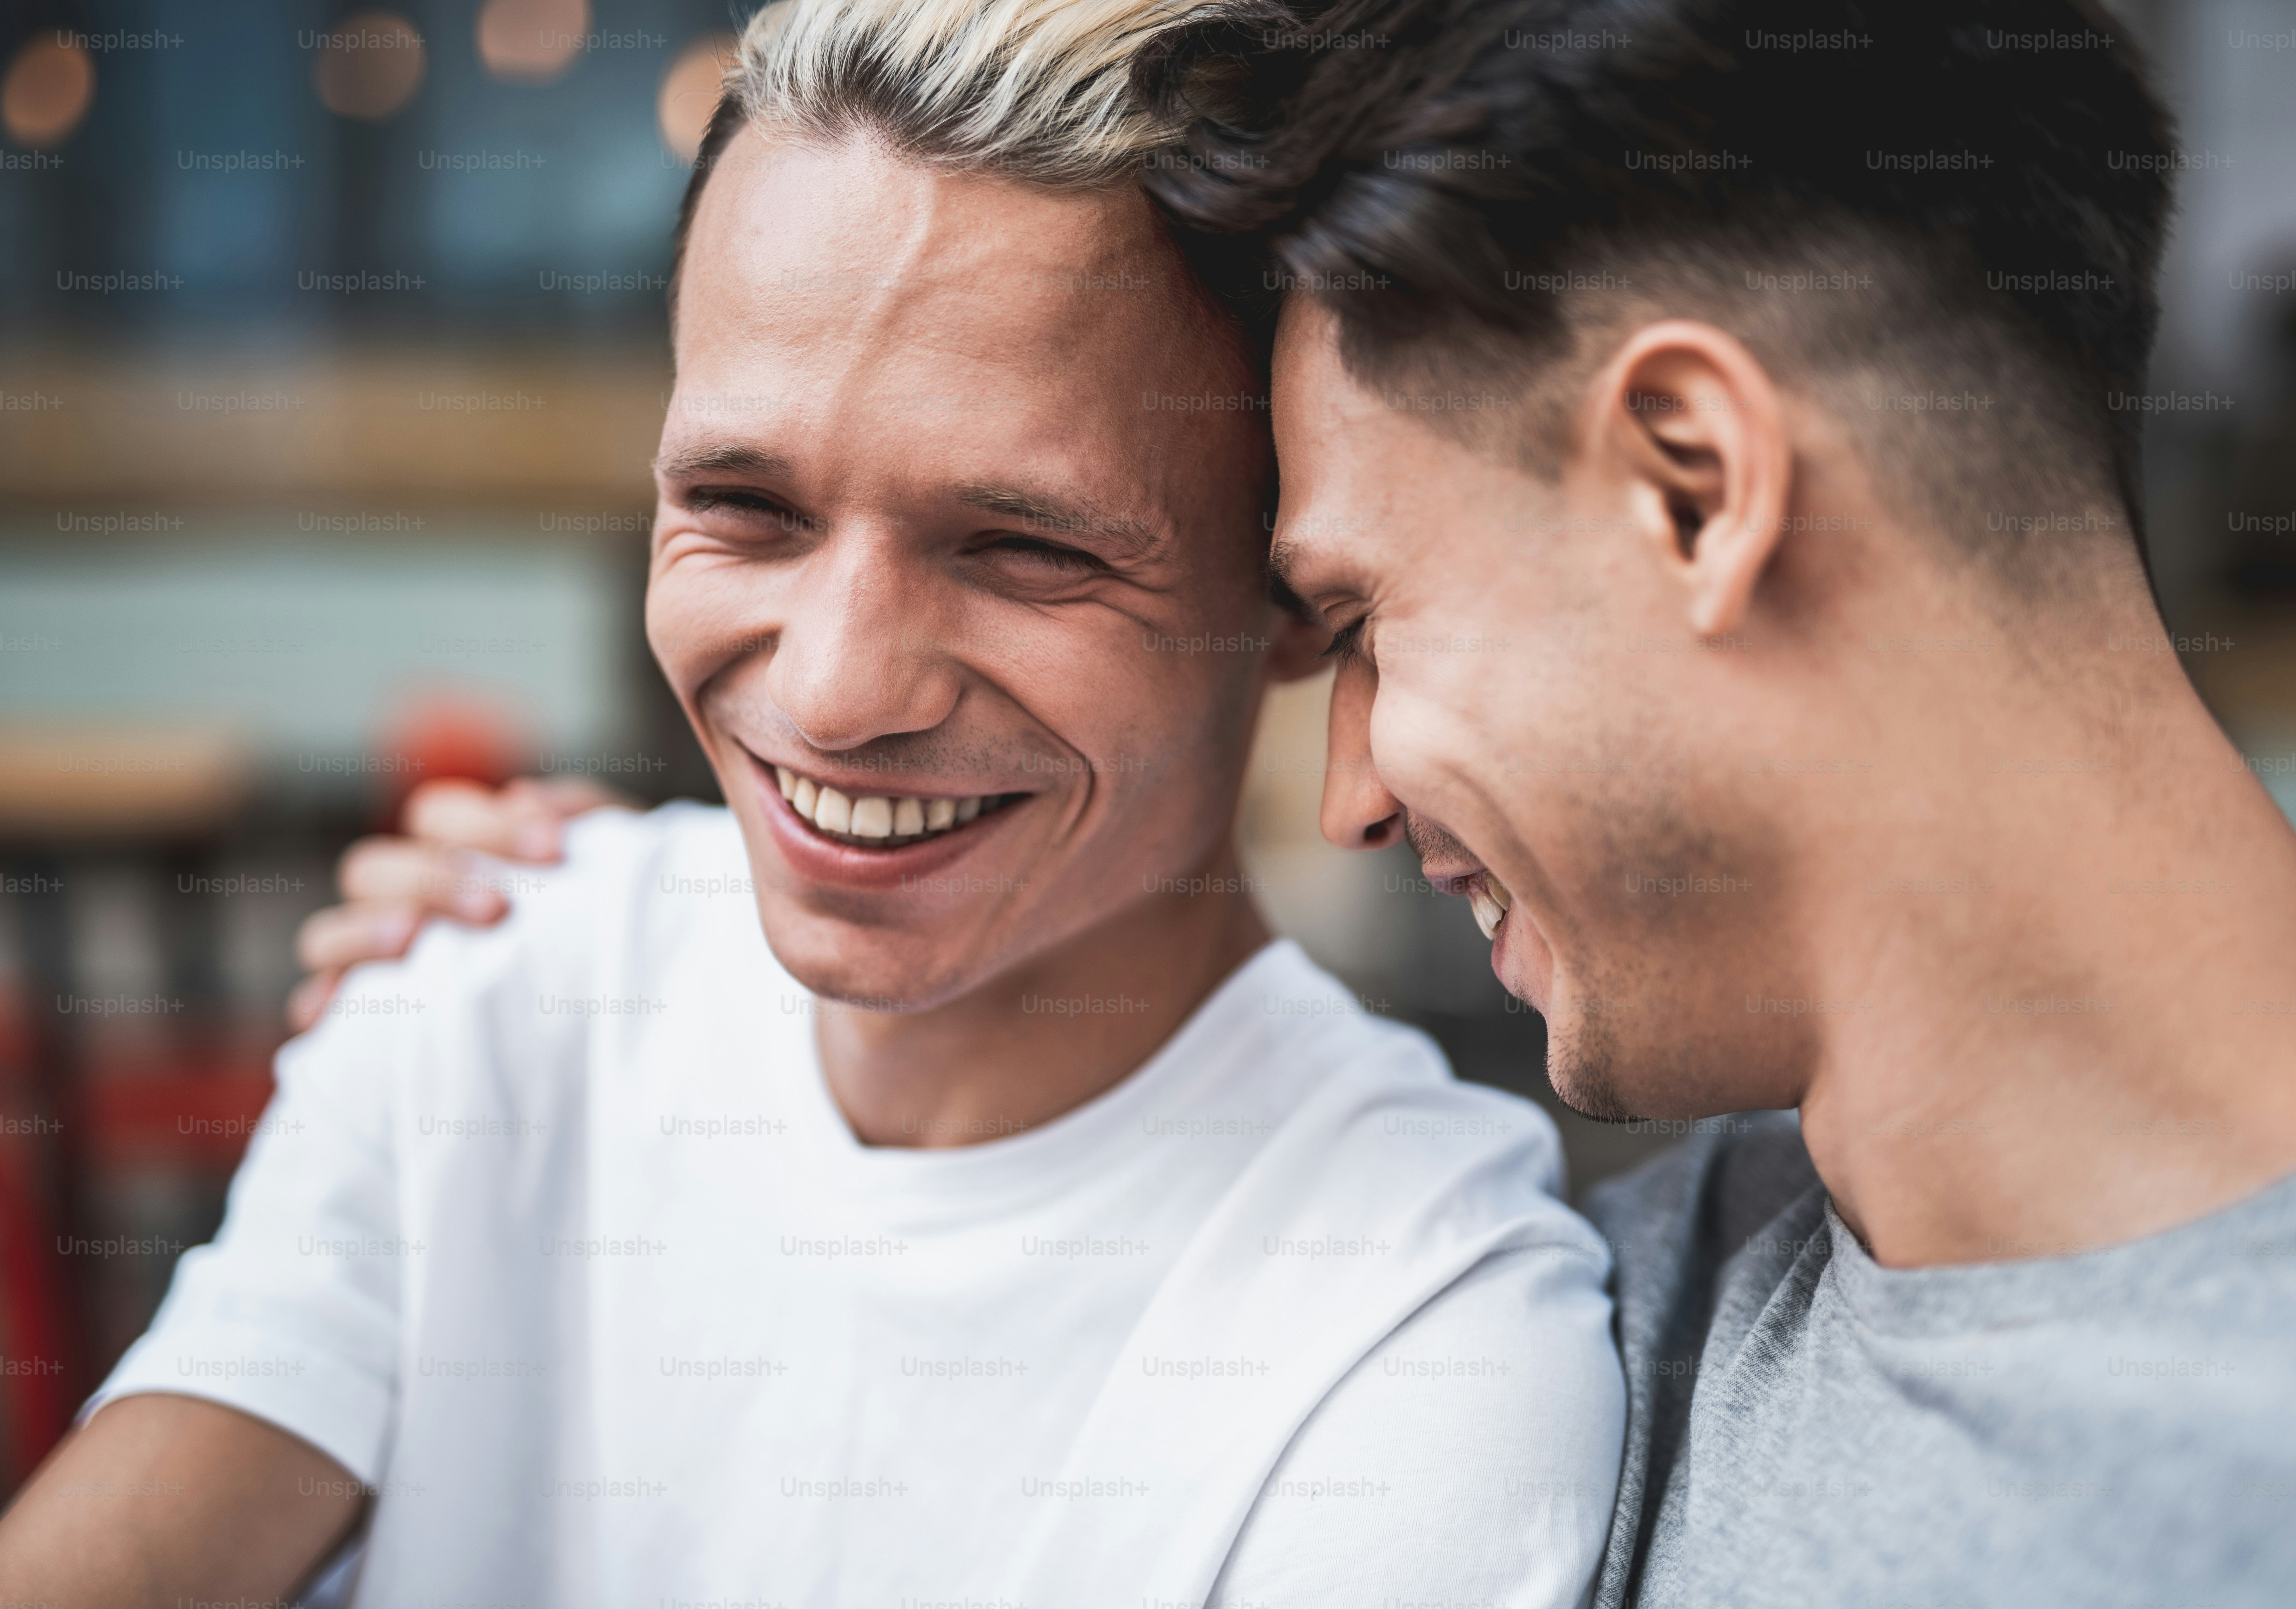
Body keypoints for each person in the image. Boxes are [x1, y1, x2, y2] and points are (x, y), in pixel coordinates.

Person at [234, 0, 2296, 1602]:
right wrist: (536, 996)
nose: (1349, 783)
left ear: (1695, 487)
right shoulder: (1595, 1306)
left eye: (1360, 612)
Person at [0, 4, 1622, 1606]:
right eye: (745, 507)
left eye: (1023, 548)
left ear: (1283, 595)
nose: (841, 691)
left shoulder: (1419, 1339)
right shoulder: (502, 973)